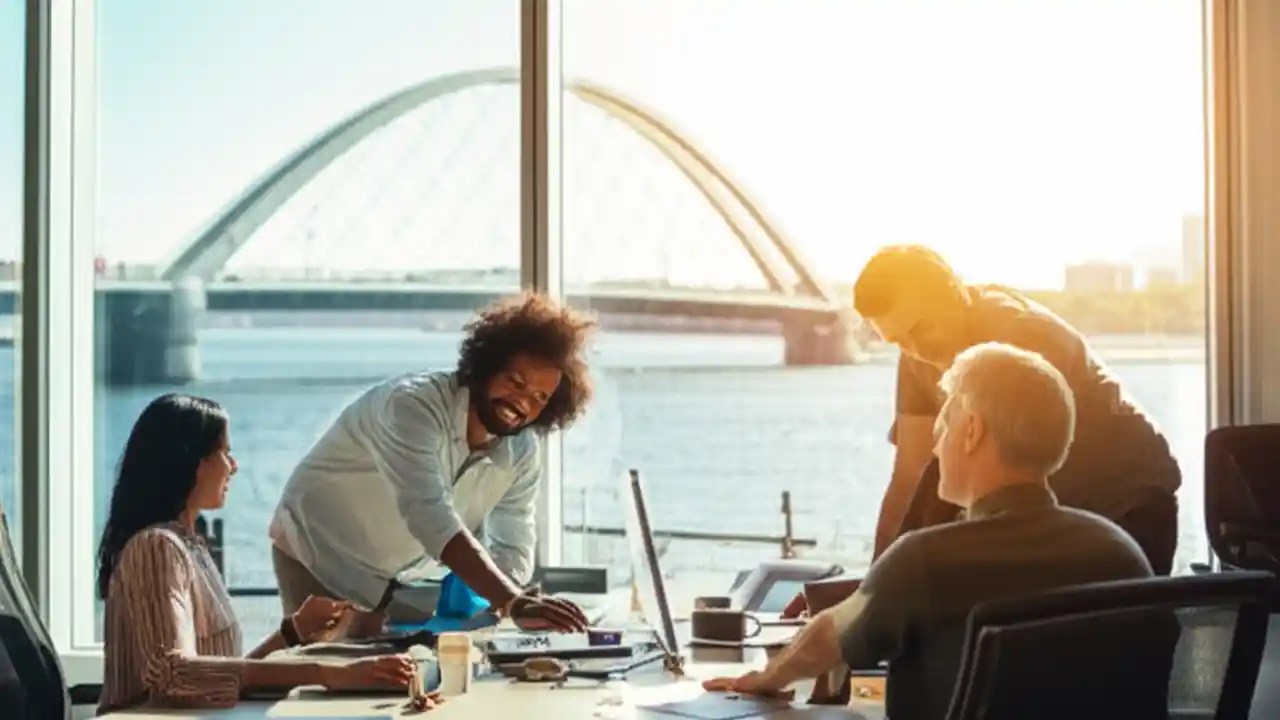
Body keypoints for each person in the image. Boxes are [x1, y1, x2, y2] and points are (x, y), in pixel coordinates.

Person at [705, 343, 1154, 720]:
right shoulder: (1122, 553)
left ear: (972, 431)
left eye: (944, 423)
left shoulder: (926, 559)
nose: (937, 442)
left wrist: (764, 680)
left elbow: (826, 640)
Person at [269, 293, 594, 632]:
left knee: (392, 675)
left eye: (540, 397)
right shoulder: (411, 406)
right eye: (516, 382)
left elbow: (513, 542)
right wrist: (511, 600)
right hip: (319, 550)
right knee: (318, 673)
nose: (522, 403)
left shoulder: (523, 450)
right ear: (486, 367)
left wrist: (497, 608)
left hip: (396, 581)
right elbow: (428, 514)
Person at [864, 245, 1180, 571]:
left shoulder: (1023, 334)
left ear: (954, 292)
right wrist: (869, 590)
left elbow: (989, 471)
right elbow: (909, 474)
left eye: (919, 329)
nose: (915, 350)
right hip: (1049, 516)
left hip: (1127, 504)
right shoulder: (917, 354)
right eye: (897, 340)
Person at [97, 394, 413, 715]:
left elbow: (215, 678)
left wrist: (292, 633)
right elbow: (173, 673)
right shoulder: (156, 548)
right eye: (225, 452)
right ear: (192, 462)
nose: (233, 467)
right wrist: (328, 673)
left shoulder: (190, 547)